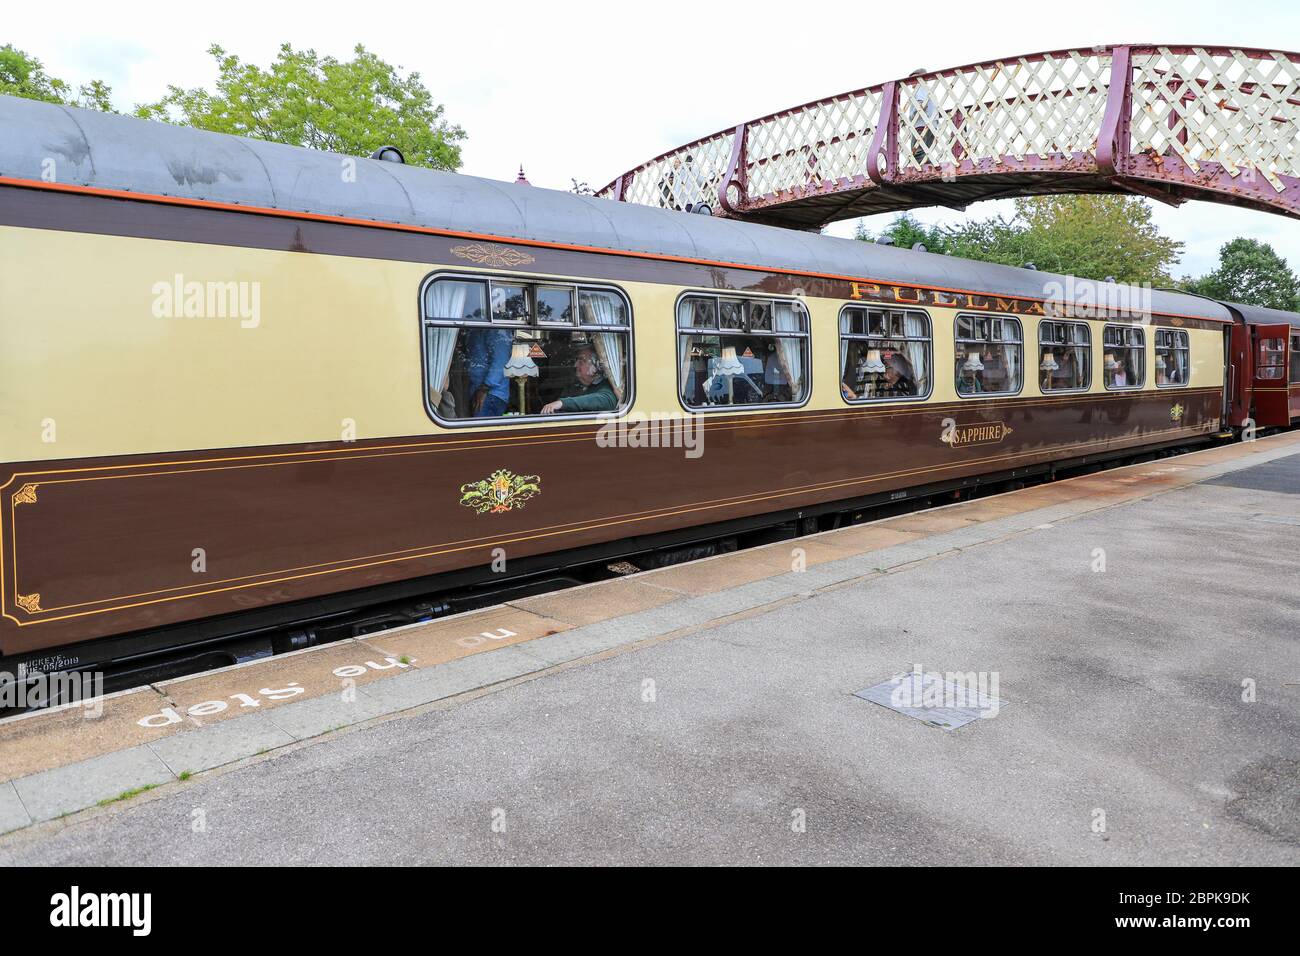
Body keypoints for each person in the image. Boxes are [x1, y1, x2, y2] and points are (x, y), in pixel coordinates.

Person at [540, 346, 618, 414]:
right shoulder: (576, 384)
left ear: (596, 367)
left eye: (581, 361)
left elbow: (606, 400)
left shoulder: (606, 387)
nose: (576, 365)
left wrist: (562, 403)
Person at [466, 327, 513, 417]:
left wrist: (484, 388)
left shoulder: (496, 328)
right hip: (479, 391)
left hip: (490, 394)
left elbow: (501, 361)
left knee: (482, 430)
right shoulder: (478, 326)